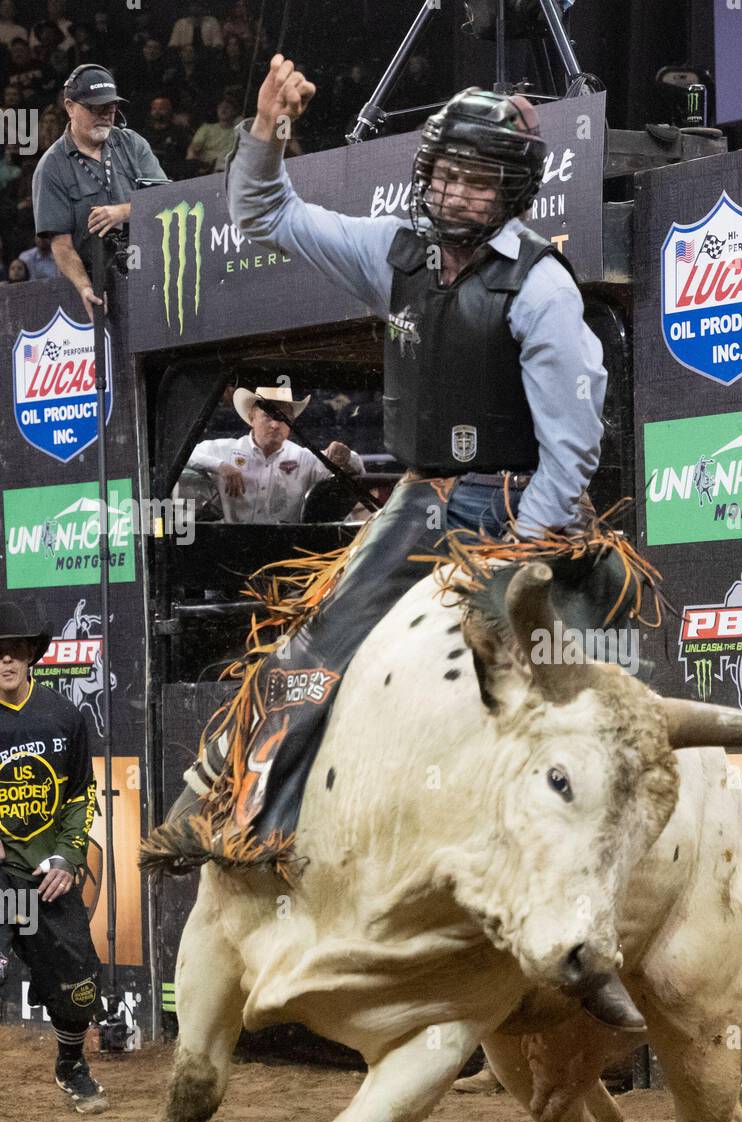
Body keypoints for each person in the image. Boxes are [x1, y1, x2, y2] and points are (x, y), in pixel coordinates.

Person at [159, 55, 609, 859]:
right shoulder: (391, 254)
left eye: (481, 181)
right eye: (447, 176)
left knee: (514, 680)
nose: (459, 194)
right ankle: (237, 821)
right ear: (424, 175)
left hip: (516, 506)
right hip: (418, 500)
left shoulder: (541, 288)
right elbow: (267, 212)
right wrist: (268, 127)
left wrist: (508, 563)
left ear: (512, 190)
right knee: (311, 649)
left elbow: (570, 451)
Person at [0, 603, 106, 1116]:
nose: (4, 662)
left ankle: (71, 1063)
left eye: (13, 651)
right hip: (3, 884)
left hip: (43, 882)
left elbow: (82, 797)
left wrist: (67, 857)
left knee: (80, 985)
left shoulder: (64, 716)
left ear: (30, 657)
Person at [31, 62, 169, 319]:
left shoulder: (132, 145)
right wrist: (85, 287)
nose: (105, 115)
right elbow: (61, 245)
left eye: (110, 108)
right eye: (95, 108)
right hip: (98, 283)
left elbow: (167, 203)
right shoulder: (51, 167)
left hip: (150, 274)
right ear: (70, 107)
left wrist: (124, 212)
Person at [185, 383, 366, 523]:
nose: (275, 424)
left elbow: (357, 470)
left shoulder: (303, 458)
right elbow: (185, 454)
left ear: (291, 422)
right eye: (268, 416)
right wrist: (221, 466)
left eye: (282, 417)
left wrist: (346, 456)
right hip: (231, 543)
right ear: (251, 419)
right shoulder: (224, 450)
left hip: (283, 547)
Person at [187, 92, 242, 174]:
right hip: (205, 167)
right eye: (220, 107)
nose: (223, 110)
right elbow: (194, 148)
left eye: (227, 107)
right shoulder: (207, 128)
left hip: (228, 169)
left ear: (234, 111)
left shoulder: (238, 132)